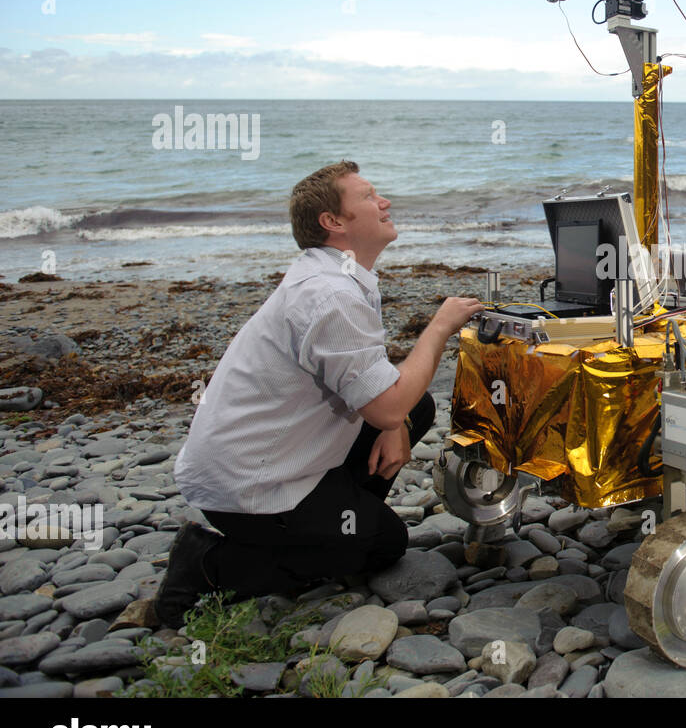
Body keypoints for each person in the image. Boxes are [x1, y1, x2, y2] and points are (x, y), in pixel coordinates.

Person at [156, 160, 483, 628]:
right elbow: (387, 402)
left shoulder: (340, 276)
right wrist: (439, 328)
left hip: (282, 456)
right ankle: (204, 563)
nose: (384, 202)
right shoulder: (329, 293)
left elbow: (379, 392)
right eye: (369, 196)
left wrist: (393, 423)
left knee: (416, 407)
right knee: (383, 546)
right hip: (249, 483)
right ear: (333, 223)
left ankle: (336, 521)